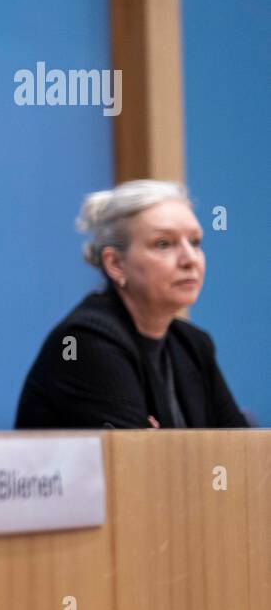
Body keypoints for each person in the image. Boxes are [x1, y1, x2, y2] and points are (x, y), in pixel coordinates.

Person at [15, 180, 246, 430]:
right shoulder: (85, 341)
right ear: (115, 264)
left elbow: (243, 452)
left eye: (195, 242)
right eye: (163, 243)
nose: (190, 259)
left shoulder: (193, 344)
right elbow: (138, 464)